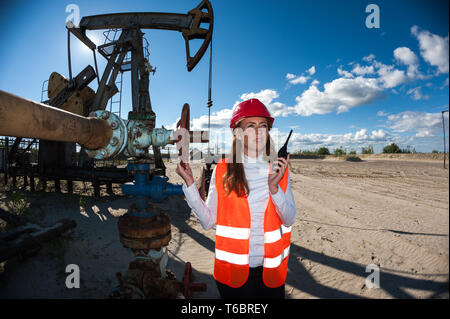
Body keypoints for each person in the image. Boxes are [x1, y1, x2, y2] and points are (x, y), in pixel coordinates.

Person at [176, 98, 297, 299]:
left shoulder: (279, 170)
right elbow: (208, 222)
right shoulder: (223, 169)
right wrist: (189, 184)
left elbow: (289, 219)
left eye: (263, 126)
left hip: (271, 274)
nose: (259, 131)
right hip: (233, 277)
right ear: (237, 133)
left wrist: (274, 188)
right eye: (251, 125)